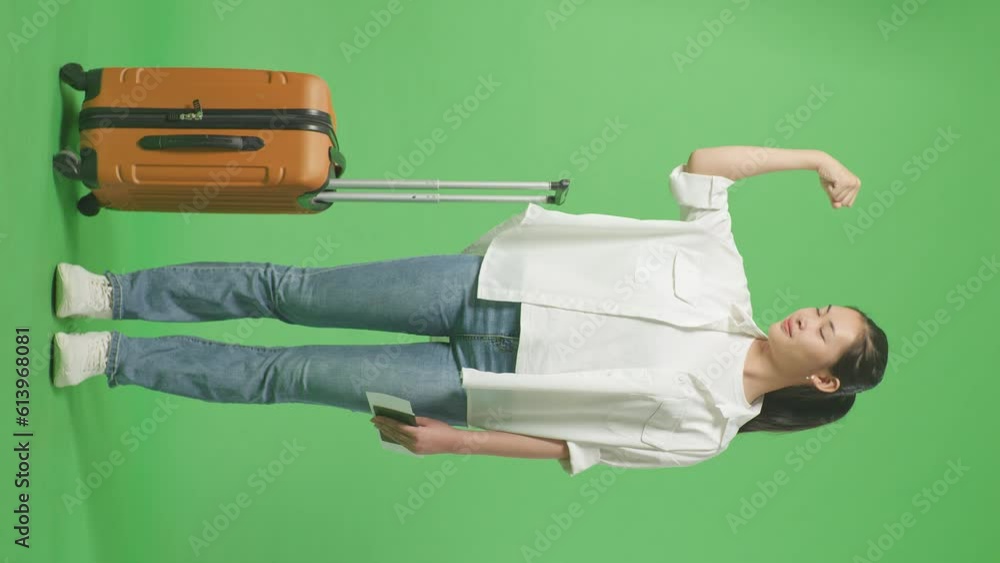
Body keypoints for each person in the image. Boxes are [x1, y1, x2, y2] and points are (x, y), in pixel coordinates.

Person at [52, 146, 888, 477]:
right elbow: (708, 167)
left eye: (823, 331)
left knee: (287, 373)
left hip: (474, 382)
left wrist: (460, 439)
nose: (803, 318)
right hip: (485, 284)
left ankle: (111, 358)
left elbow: (578, 445)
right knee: (290, 288)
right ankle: (112, 295)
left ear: (821, 375)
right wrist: (814, 158)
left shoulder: (706, 432)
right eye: (818, 308)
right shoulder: (724, 272)